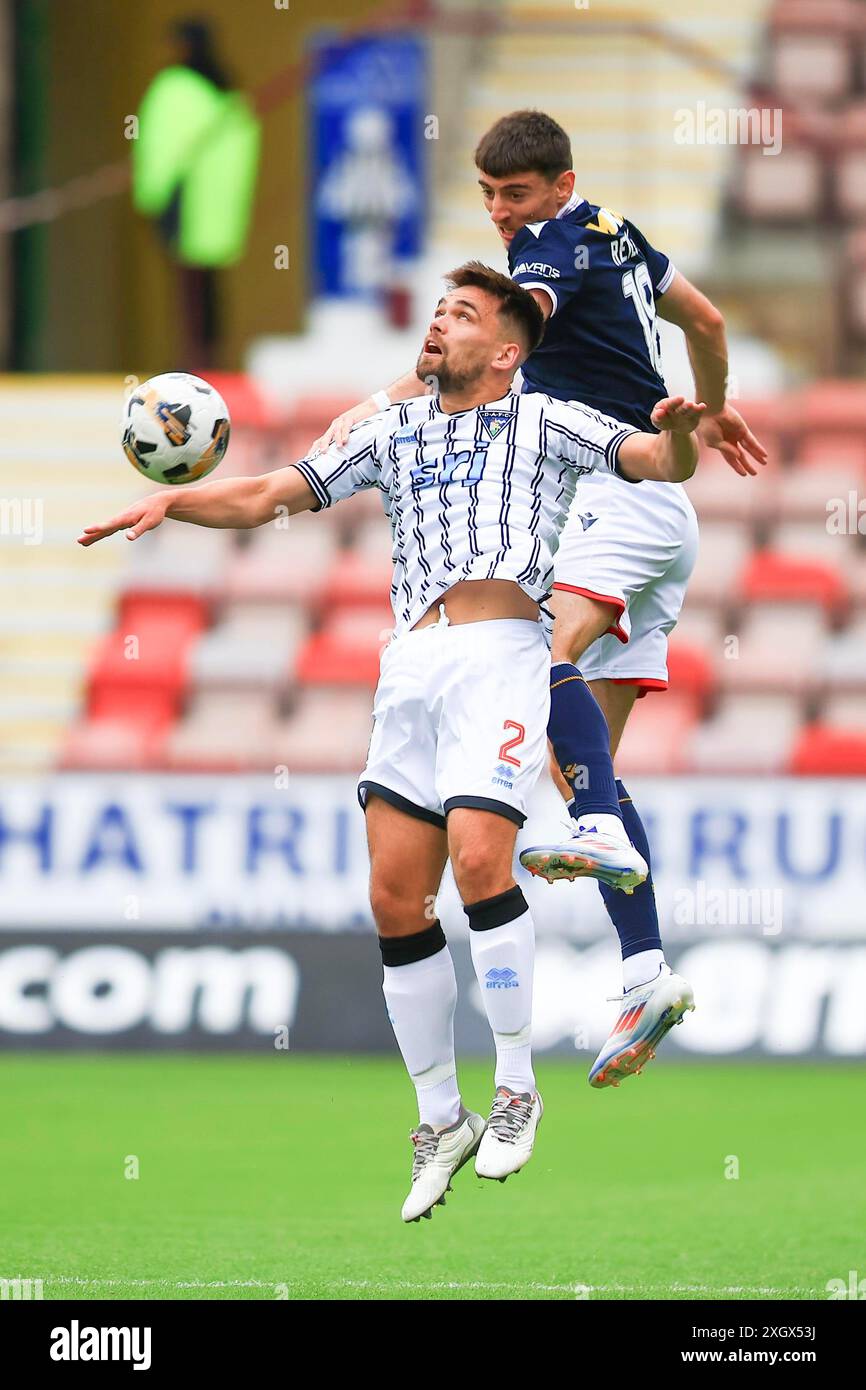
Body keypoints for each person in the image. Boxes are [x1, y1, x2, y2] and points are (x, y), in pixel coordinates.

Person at [79, 263, 704, 1221]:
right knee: (392, 896)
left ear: (503, 350)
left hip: (502, 653)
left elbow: (656, 465)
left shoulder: (550, 419)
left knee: (483, 857)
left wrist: (688, 436)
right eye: (438, 310)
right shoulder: (393, 430)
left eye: (460, 315)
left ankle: (513, 1086)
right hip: (408, 670)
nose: (437, 325)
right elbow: (268, 495)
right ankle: (439, 1118)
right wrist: (175, 505)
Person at [311, 109, 766, 1090]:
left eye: (513, 193)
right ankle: (644, 971)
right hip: (654, 510)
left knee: (528, 646)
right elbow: (707, 324)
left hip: (619, 498)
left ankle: (595, 831)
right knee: (580, 764)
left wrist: (379, 403)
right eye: (485, 195)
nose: (499, 212)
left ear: (560, 184)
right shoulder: (619, 233)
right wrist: (713, 400)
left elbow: (481, 351)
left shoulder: (554, 250)